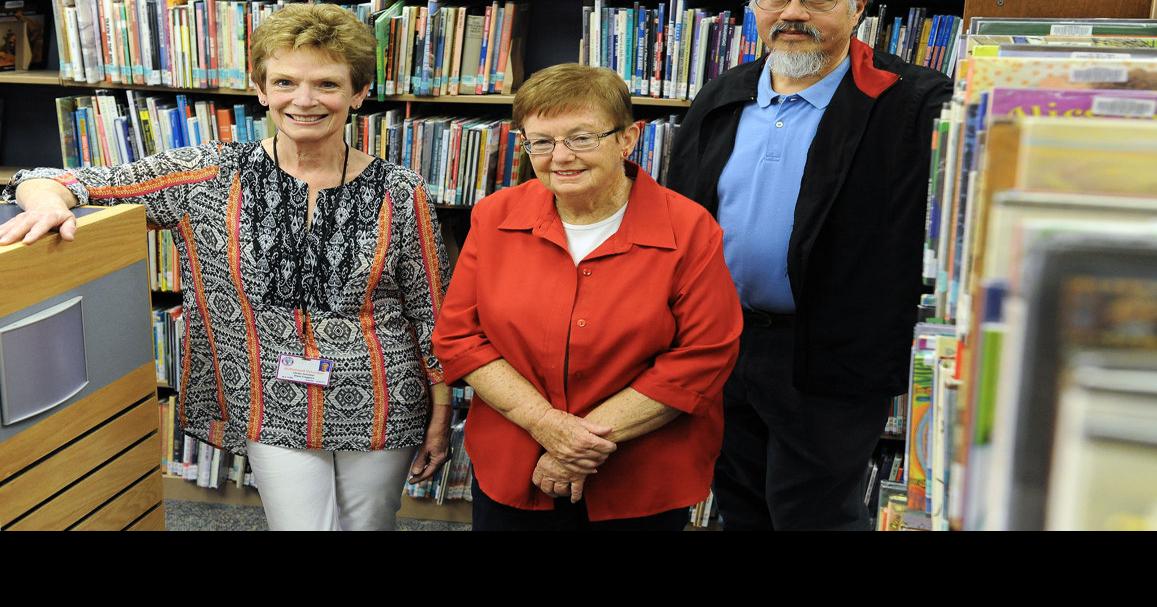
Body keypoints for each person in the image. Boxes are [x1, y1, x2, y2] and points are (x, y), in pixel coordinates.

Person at [0, 4, 452, 531]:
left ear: (357, 94)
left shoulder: (402, 191)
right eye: (285, 81)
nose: (303, 100)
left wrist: (440, 413)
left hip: (384, 398)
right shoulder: (208, 175)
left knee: (371, 524)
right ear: (261, 89)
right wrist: (50, 202)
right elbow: (49, 178)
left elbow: (431, 313)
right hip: (271, 400)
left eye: (326, 84)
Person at [666, 0, 953, 530]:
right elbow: (679, 214)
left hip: (831, 353)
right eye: (775, 0)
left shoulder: (913, 103)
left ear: (857, 8)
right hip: (722, 343)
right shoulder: (723, 95)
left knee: (814, 514)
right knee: (739, 501)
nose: (792, 13)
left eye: (816, 0)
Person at [432, 63, 743, 531]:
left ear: (627, 139)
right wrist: (546, 425)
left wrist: (574, 449)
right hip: (514, 465)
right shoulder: (495, 216)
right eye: (541, 141)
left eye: (581, 137)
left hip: (641, 476)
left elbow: (703, 357)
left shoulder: (689, 228)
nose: (560, 157)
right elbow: (459, 338)